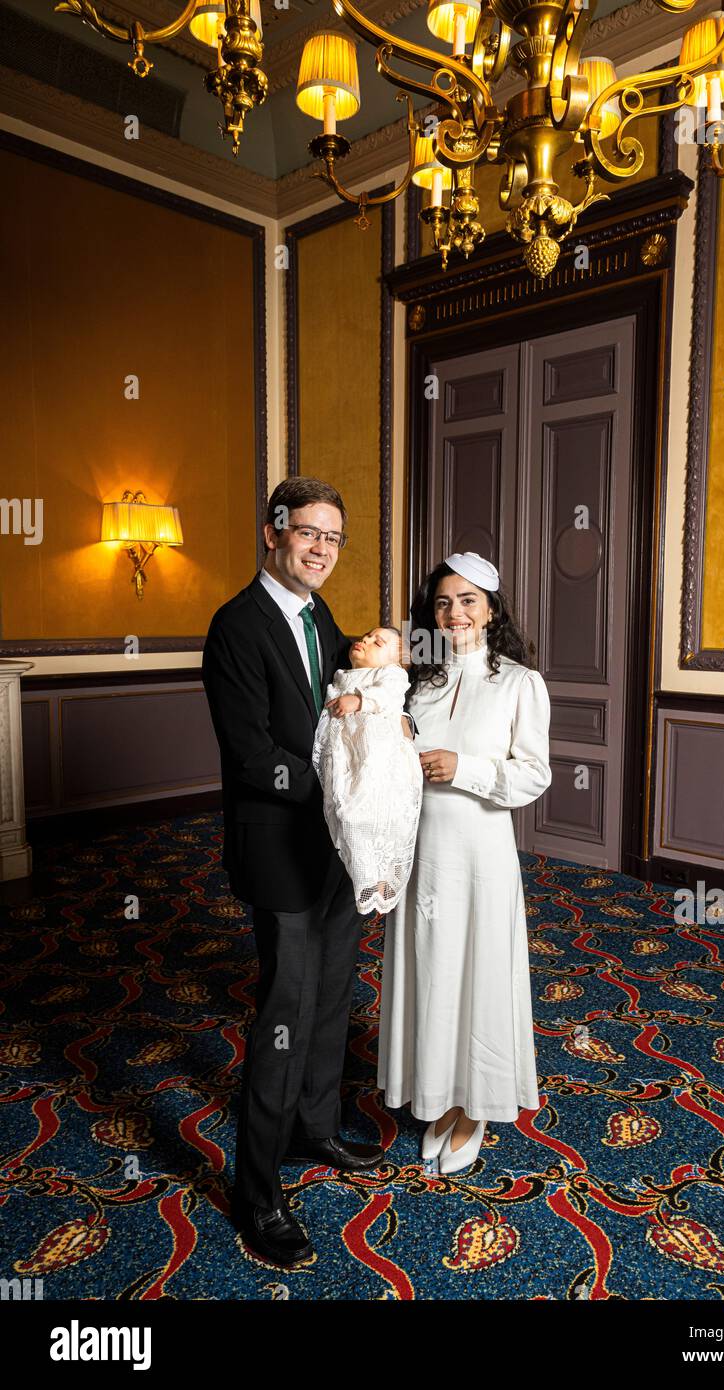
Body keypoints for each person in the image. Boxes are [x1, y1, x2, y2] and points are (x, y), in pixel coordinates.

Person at [202, 478, 412, 1270]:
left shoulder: (321, 616)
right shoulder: (235, 626)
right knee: (283, 1015)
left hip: (333, 846)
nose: (321, 548)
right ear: (272, 533)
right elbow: (252, 757)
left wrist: (389, 721)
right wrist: (349, 783)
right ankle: (256, 1188)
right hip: (278, 848)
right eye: (307, 533)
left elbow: (351, 696)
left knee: (331, 994)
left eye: (333, 537)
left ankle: (315, 1127)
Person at [377, 552, 552, 1174]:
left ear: (492, 611)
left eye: (469, 601)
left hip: (480, 850)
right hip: (420, 848)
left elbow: (533, 774)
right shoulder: (414, 682)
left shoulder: (520, 683)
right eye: (445, 602)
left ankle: (475, 1104)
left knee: (476, 969)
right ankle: (437, 1094)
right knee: (429, 967)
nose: (455, 613)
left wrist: (465, 769)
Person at [312, 625, 423, 916]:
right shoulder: (341, 675)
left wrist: (359, 700)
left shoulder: (390, 674)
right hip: (346, 757)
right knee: (346, 814)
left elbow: (390, 696)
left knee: (378, 815)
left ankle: (381, 879)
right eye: (366, 637)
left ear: (397, 658)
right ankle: (364, 878)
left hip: (378, 758)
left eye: (378, 642)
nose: (365, 641)